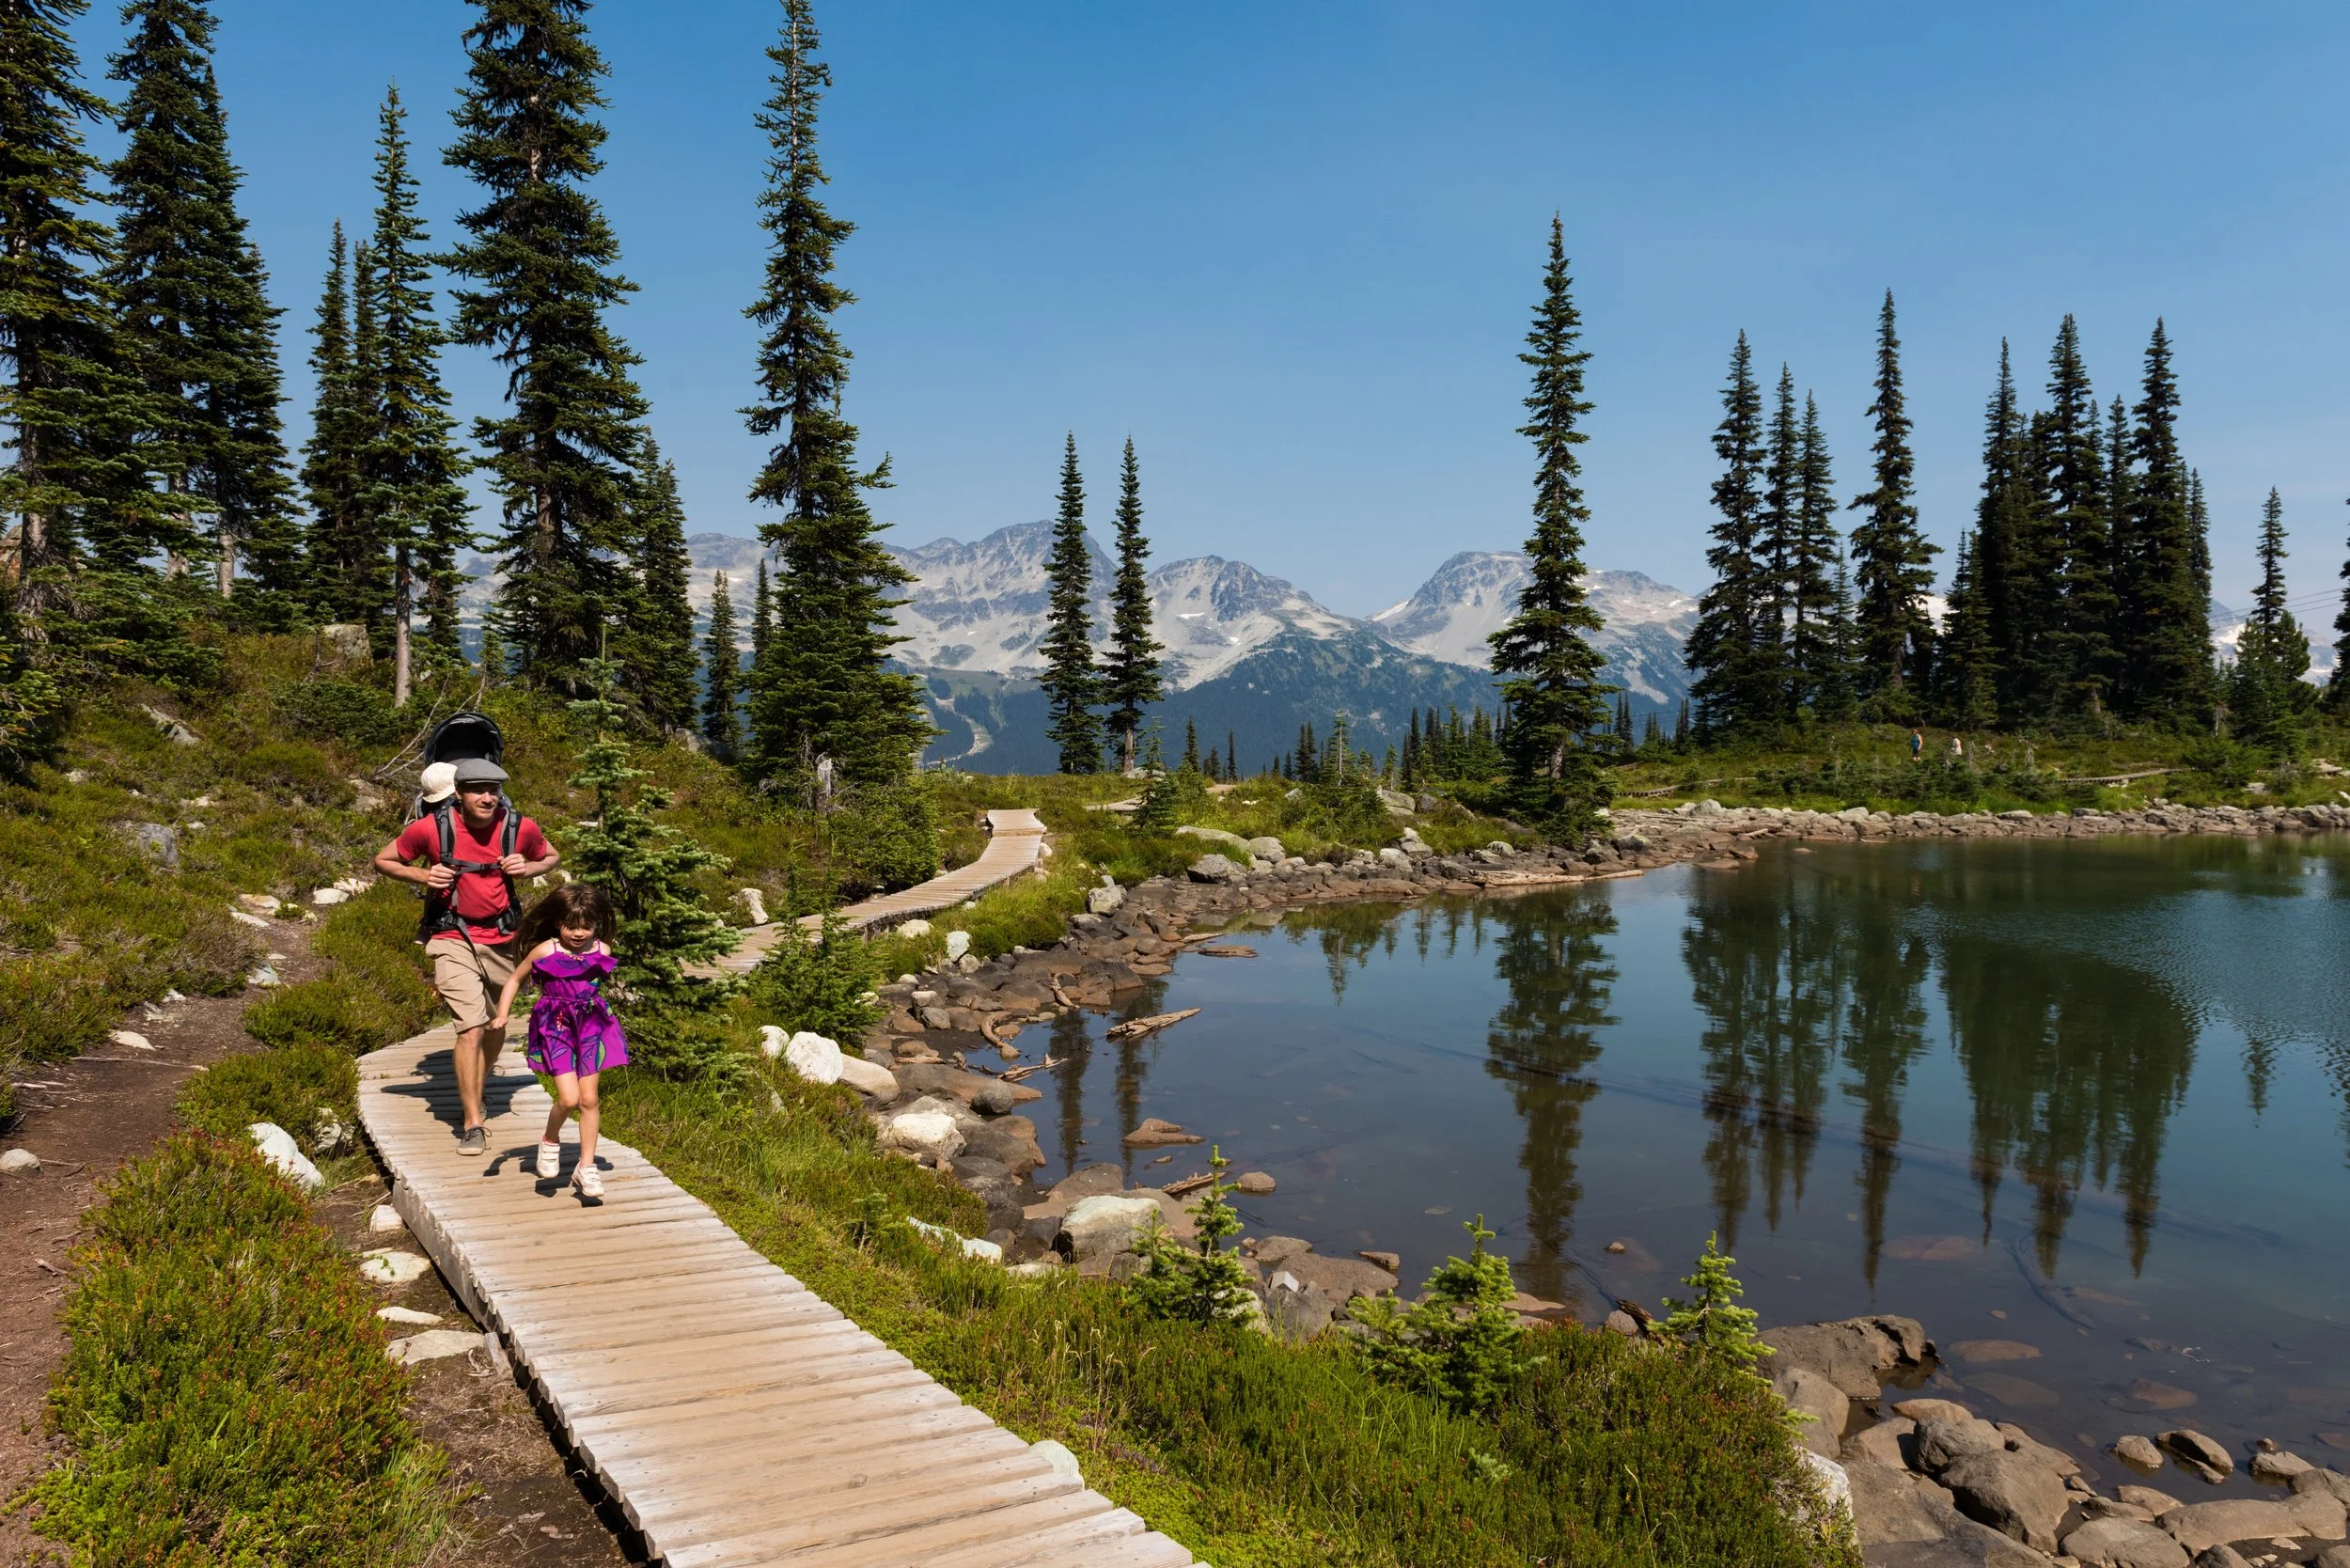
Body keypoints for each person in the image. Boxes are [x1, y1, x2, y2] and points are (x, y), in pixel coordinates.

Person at [372, 757, 560, 1155]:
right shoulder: (431, 828)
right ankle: (473, 1122)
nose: (487, 798)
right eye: (478, 791)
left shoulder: (517, 826)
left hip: (503, 938)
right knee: (470, 1027)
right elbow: (383, 861)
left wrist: (528, 868)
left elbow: (552, 857)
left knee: (495, 1025)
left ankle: (479, 1082)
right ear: (458, 794)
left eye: (493, 790)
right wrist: (423, 875)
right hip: (451, 934)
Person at [489, 885, 627, 1201]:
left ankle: (586, 1166)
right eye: (570, 926)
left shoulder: (602, 951)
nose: (578, 933)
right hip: (556, 1027)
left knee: (589, 1099)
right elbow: (515, 979)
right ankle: (550, 1140)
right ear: (557, 923)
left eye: (586, 926)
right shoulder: (545, 951)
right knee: (568, 1098)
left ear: (595, 924)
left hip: (591, 1025)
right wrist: (502, 1015)